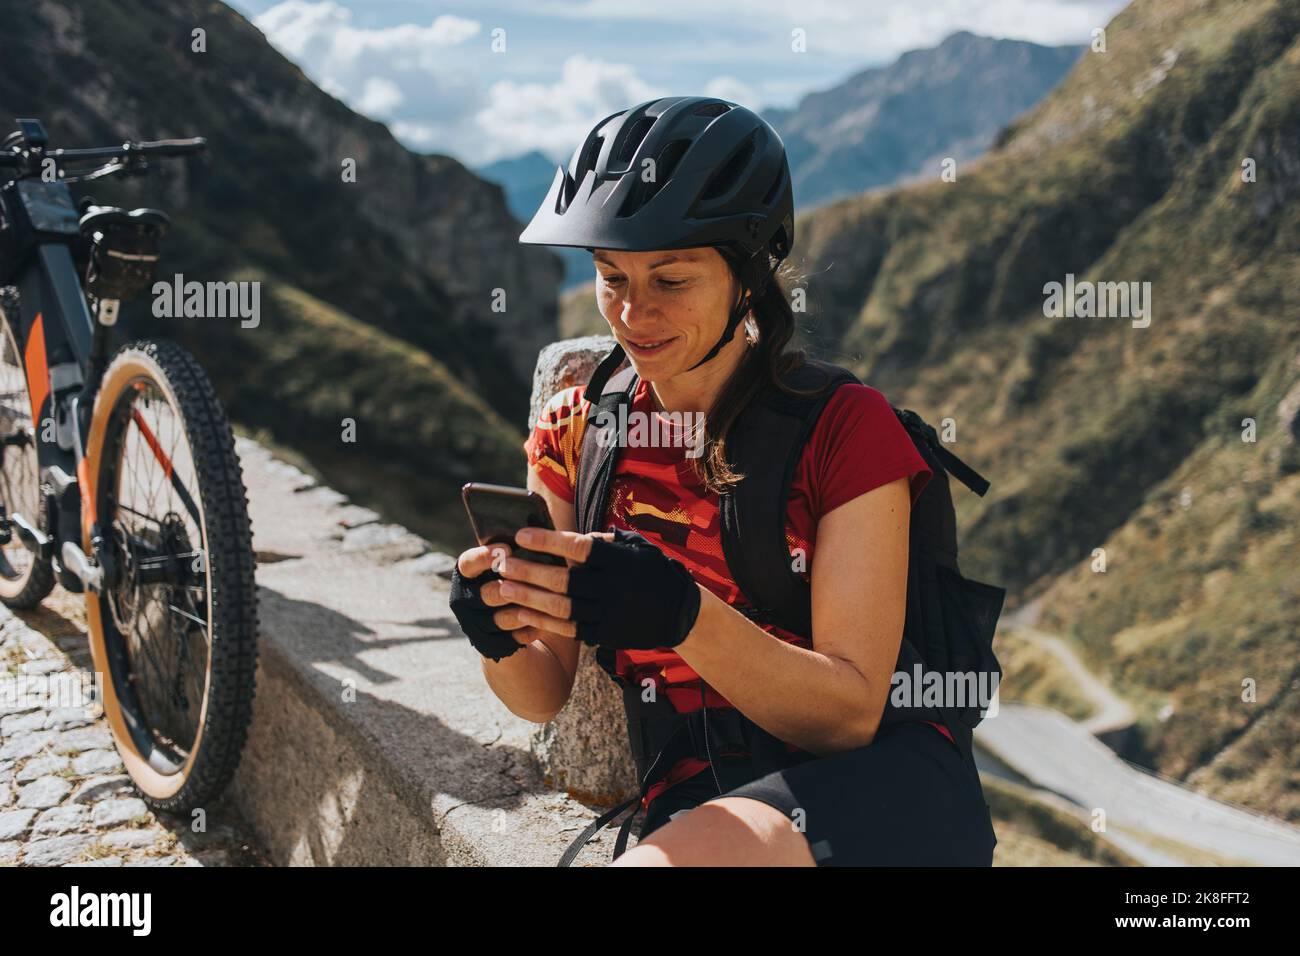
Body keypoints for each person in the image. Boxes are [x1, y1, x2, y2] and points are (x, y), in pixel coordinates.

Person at [449, 96, 997, 866]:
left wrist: (679, 612)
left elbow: (847, 716)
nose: (633, 313)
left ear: (748, 276)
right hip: (699, 788)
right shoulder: (576, 433)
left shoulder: (846, 429)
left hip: (876, 787)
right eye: (611, 277)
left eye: (670, 279)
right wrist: (495, 630)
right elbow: (544, 692)